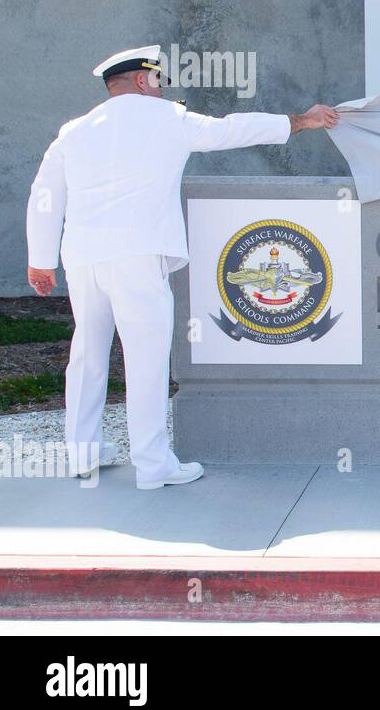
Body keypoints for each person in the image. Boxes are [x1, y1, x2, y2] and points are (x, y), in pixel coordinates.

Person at [25, 45, 339, 489]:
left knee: (87, 353)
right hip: (138, 252)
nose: (162, 86)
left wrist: (40, 260)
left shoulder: (73, 130)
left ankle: (82, 453)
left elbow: (45, 194)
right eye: (159, 79)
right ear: (141, 80)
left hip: (81, 256)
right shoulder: (168, 119)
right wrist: (301, 120)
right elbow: (232, 130)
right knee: (146, 358)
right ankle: (153, 466)